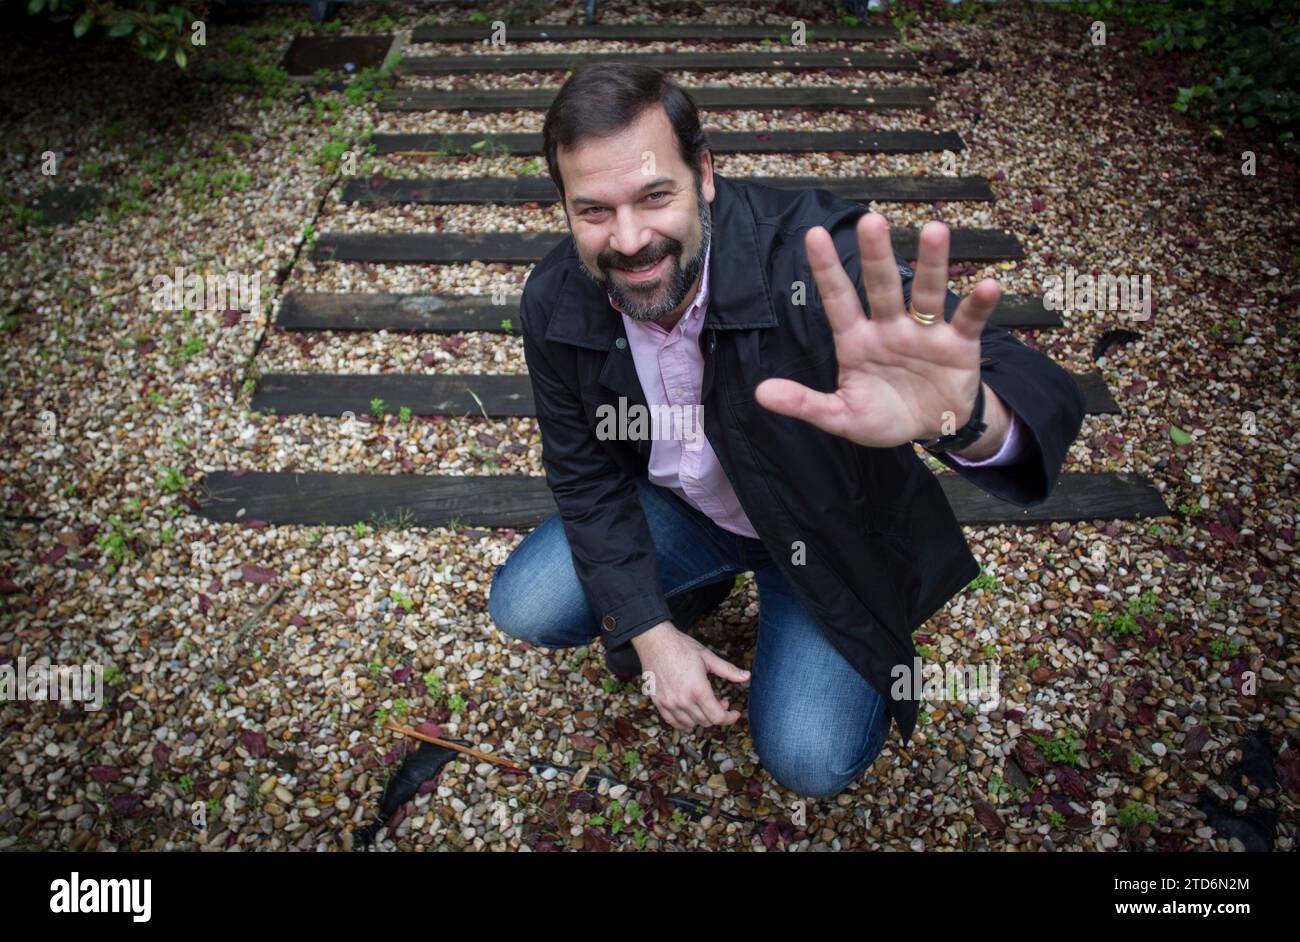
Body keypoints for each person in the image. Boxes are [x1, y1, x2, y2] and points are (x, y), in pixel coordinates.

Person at [488, 63, 1084, 799]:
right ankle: (692, 592)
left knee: (809, 758)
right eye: (594, 211)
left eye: (654, 196)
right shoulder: (554, 299)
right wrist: (647, 630)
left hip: (826, 529)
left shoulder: (813, 253)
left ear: (704, 173)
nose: (630, 239)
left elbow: (1034, 380)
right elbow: (585, 478)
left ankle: (789, 612)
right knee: (525, 605)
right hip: (688, 509)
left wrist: (963, 417)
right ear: (563, 206)